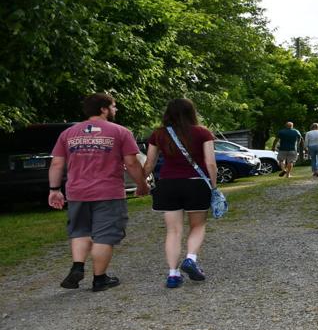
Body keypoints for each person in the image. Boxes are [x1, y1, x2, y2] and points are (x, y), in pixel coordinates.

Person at [47, 93, 150, 293]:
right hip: (108, 192)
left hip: (77, 192)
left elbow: (57, 163)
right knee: (105, 235)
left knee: (80, 231)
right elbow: (131, 163)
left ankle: (78, 266)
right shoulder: (120, 132)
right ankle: (100, 279)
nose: (115, 110)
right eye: (113, 106)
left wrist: (54, 190)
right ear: (103, 109)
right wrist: (142, 184)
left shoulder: (68, 134)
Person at [141, 98, 219, 289]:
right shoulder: (203, 132)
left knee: (173, 231)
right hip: (196, 184)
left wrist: (141, 181)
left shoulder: (158, 134)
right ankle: (191, 258)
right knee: (198, 226)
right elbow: (210, 163)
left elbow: (149, 163)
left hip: (168, 185)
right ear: (192, 112)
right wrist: (214, 186)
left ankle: (173, 274)